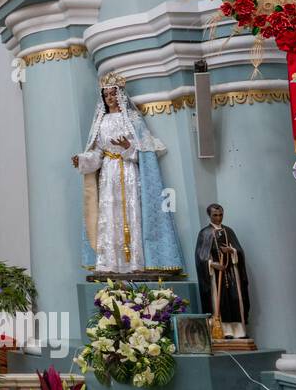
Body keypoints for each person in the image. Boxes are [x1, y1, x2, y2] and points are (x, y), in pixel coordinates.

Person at [73, 76, 182, 274]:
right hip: (108, 173)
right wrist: (82, 160)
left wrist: (128, 147)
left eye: (112, 94)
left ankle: (135, 263)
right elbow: (97, 153)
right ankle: (111, 263)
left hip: (129, 171)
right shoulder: (101, 122)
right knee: (109, 216)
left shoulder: (132, 120)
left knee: (132, 212)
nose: (109, 98)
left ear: (120, 95)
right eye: (105, 95)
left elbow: (145, 153)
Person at [194, 204, 250, 339]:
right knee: (220, 302)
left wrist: (232, 251)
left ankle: (238, 331)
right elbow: (200, 256)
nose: (218, 218)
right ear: (210, 215)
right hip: (215, 275)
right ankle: (223, 331)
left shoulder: (229, 231)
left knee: (235, 300)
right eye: (215, 215)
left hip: (231, 273)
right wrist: (212, 264)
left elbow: (239, 251)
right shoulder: (205, 233)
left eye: (220, 215)